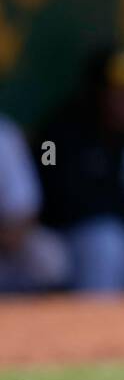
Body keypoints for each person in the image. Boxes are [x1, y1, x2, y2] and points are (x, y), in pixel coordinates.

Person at [37, 47, 124, 292]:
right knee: (106, 242)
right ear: (98, 93)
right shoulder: (62, 132)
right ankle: (98, 328)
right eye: (119, 93)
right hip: (75, 243)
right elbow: (58, 206)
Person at [0, 112, 68, 293]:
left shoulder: (4, 134)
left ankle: (44, 318)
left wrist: (10, 236)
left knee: (49, 257)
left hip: (5, 245)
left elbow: (23, 210)